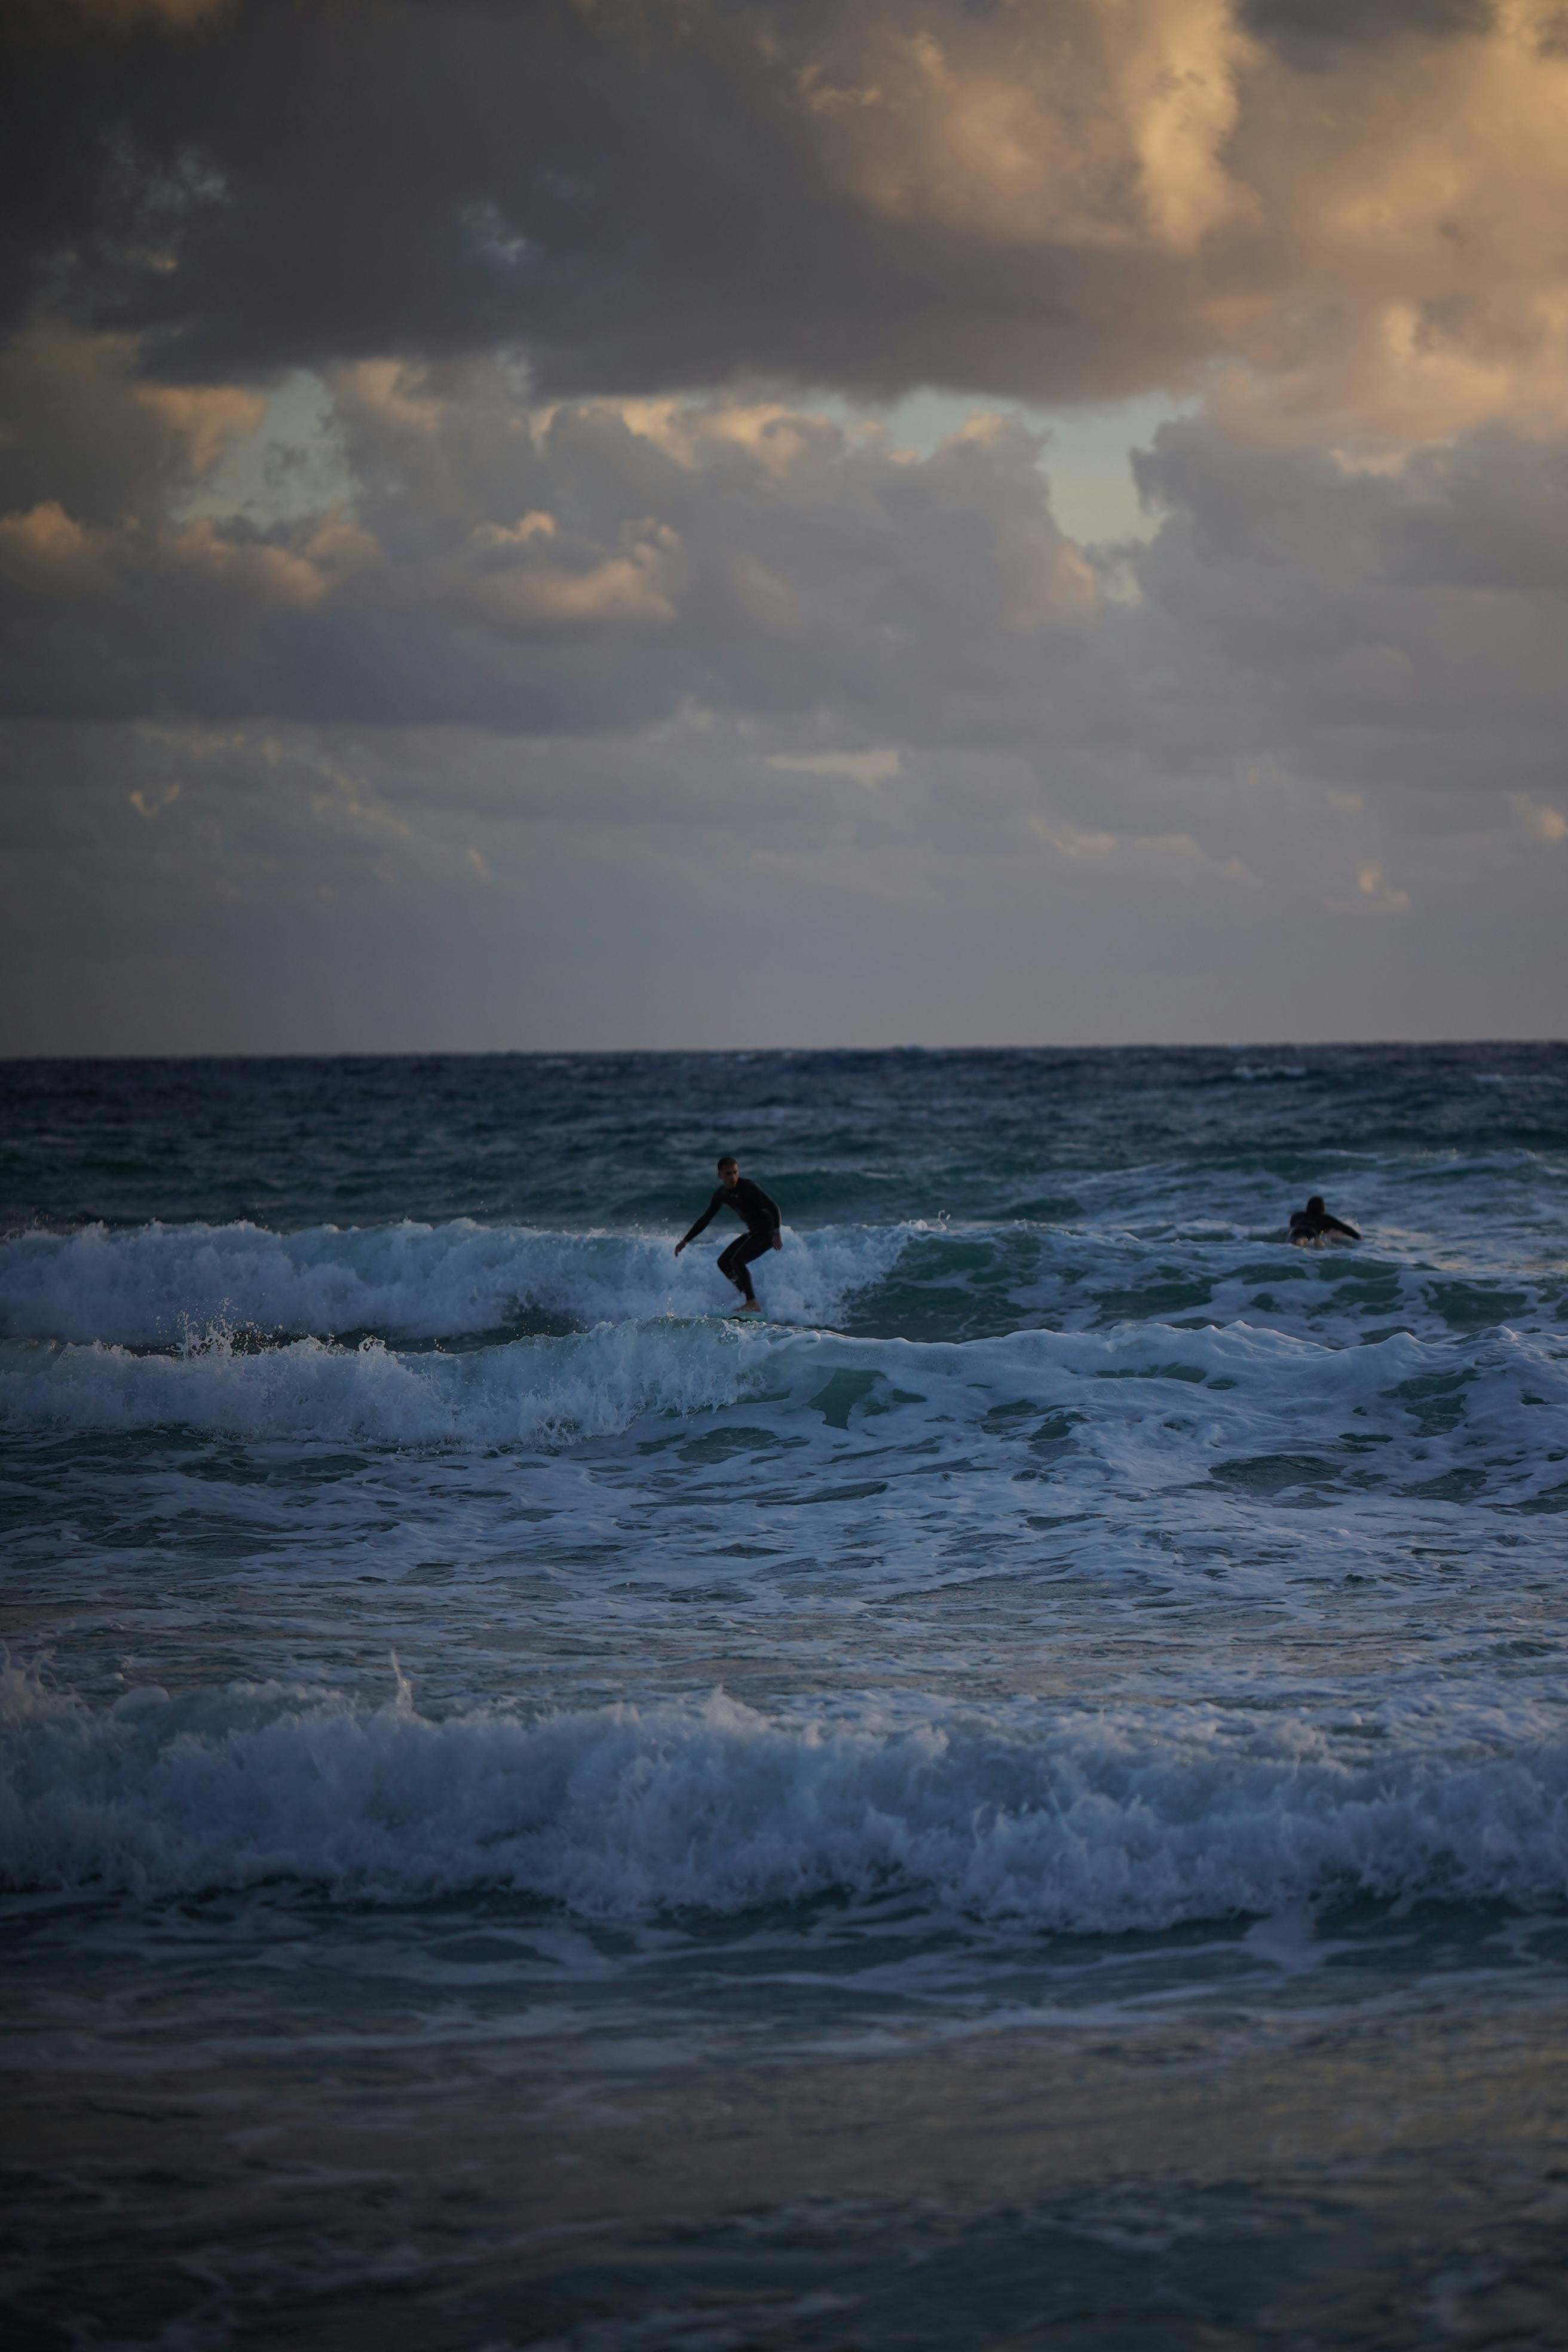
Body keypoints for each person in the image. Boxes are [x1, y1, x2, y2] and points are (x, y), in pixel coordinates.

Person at [675, 1155, 782, 1313]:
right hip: (753, 1233)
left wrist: (777, 1233)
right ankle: (749, 1298)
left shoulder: (749, 1187)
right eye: (729, 1174)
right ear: (720, 1175)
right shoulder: (722, 1194)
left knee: (738, 1260)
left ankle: (752, 1303)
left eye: (736, 1172)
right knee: (724, 1262)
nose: (733, 1177)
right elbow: (706, 1219)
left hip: (767, 1232)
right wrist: (685, 1240)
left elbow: (774, 1208)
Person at [1289, 1194, 1360, 1244]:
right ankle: (1304, 1240)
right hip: (1311, 1231)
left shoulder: (1297, 1215)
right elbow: (1344, 1228)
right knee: (1316, 1243)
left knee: (1295, 1241)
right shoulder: (1325, 1219)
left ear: (1307, 1207)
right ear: (1322, 1208)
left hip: (1296, 1230)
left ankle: (1301, 1241)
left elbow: (1292, 1224)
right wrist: (1359, 1237)